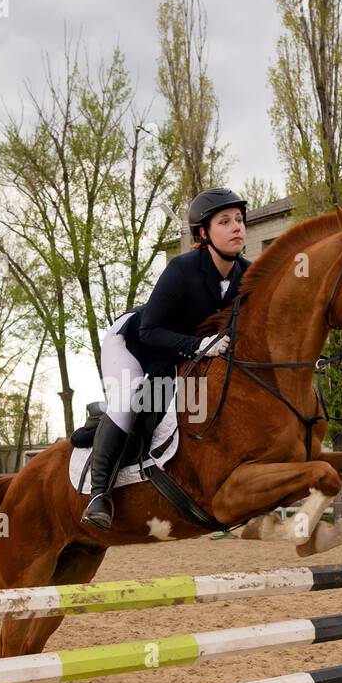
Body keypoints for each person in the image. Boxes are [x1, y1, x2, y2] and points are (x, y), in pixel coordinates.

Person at [82, 188, 251, 528]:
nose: (237, 227)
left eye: (239, 220)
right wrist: (198, 346)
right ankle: (98, 494)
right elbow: (149, 331)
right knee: (131, 396)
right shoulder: (181, 269)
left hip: (180, 349)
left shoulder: (247, 275)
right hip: (132, 344)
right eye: (225, 221)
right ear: (203, 233)